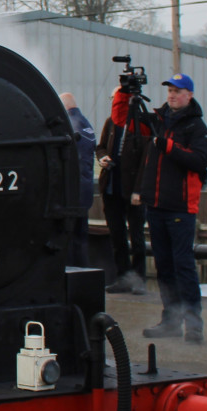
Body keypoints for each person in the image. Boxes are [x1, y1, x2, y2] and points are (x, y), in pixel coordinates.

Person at [112, 72, 207, 344]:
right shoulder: (157, 120)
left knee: (183, 266)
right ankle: (170, 321)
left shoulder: (196, 128)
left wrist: (169, 146)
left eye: (177, 91)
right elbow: (123, 121)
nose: (171, 95)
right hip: (155, 206)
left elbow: (199, 161)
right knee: (165, 268)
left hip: (180, 208)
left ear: (189, 95)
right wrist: (124, 94)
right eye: (169, 90)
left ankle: (194, 325)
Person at [97, 102, 149, 295]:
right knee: (117, 236)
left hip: (132, 191)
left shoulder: (140, 123)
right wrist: (102, 157)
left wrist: (139, 190)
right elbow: (100, 146)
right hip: (112, 187)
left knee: (136, 237)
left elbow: (146, 157)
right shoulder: (110, 122)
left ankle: (139, 279)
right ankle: (123, 278)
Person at [59, 93, 95, 268]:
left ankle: (77, 275)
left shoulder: (73, 125)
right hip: (85, 191)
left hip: (74, 192)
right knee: (80, 239)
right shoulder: (85, 124)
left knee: (73, 240)